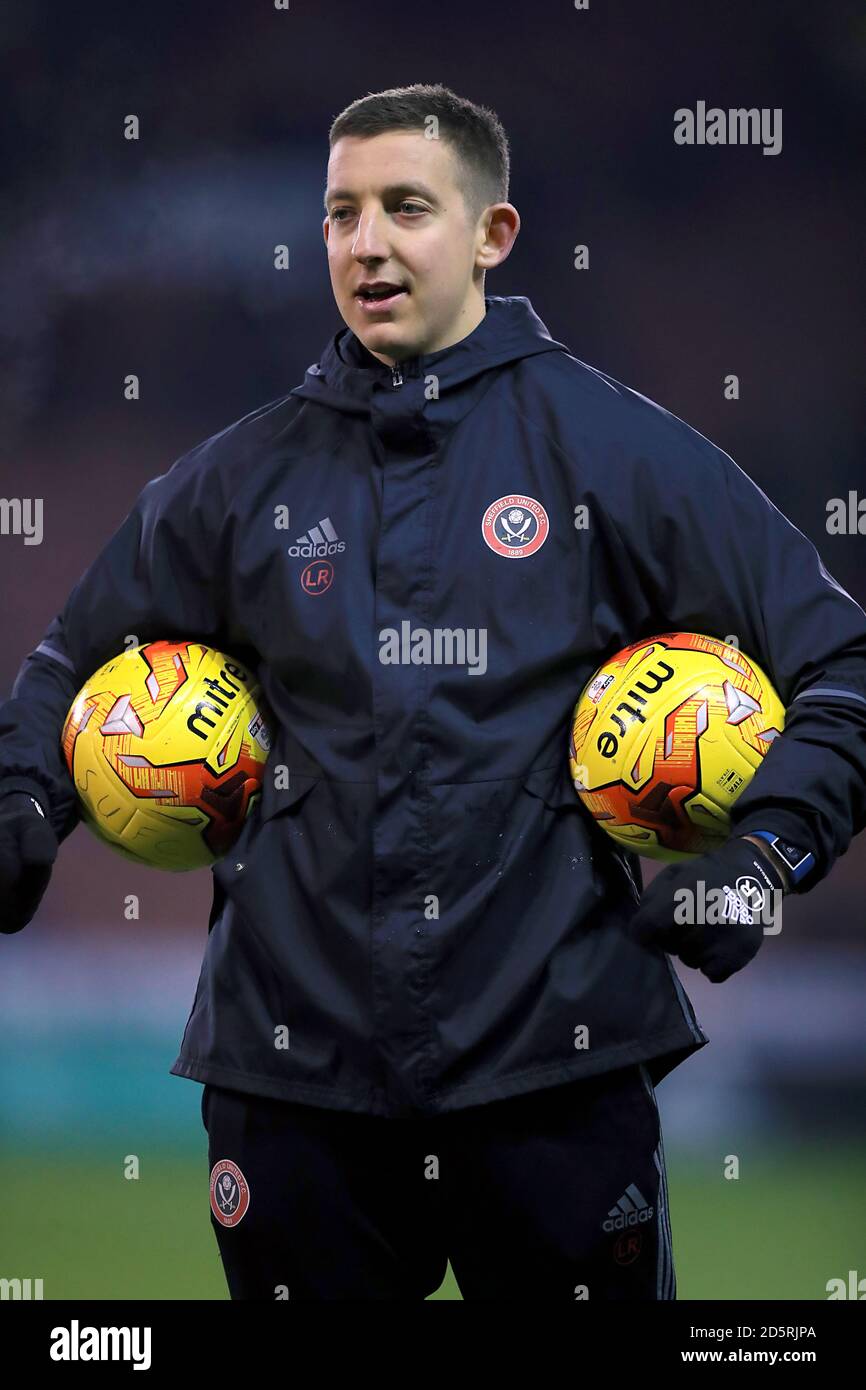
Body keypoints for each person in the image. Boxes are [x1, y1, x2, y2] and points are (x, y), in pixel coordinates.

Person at [1, 83, 865, 1301]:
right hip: (292, 1099)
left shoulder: (616, 457)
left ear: (491, 234)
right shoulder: (234, 482)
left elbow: (841, 662)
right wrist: (25, 793)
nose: (366, 243)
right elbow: (62, 669)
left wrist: (766, 852)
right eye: (341, 214)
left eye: (406, 207)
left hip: (553, 1088)